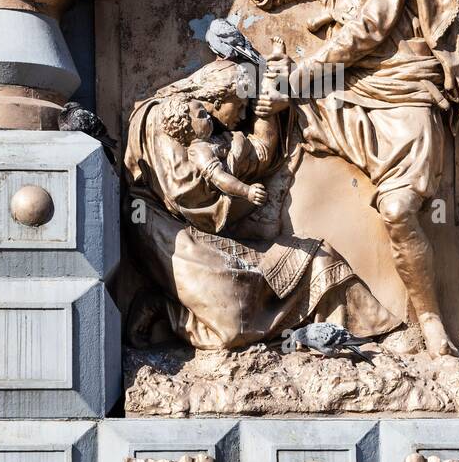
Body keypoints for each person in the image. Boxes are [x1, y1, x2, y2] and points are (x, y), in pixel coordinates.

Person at [196, 0, 459, 356]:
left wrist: (297, 81)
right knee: (261, 95)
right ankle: (230, 208)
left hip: (405, 100)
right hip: (344, 91)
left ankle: (431, 323)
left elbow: (367, 32)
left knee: (399, 211)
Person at [122, 58, 400, 350]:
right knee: (232, 322)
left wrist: (269, 108)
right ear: (215, 99)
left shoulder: (217, 135)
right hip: (162, 229)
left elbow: (261, 153)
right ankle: (166, 310)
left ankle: (374, 332)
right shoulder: (163, 117)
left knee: (318, 258)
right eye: (241, 106)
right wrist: (234, 168)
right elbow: (192, 195)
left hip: (216, 231)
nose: (245, 114)